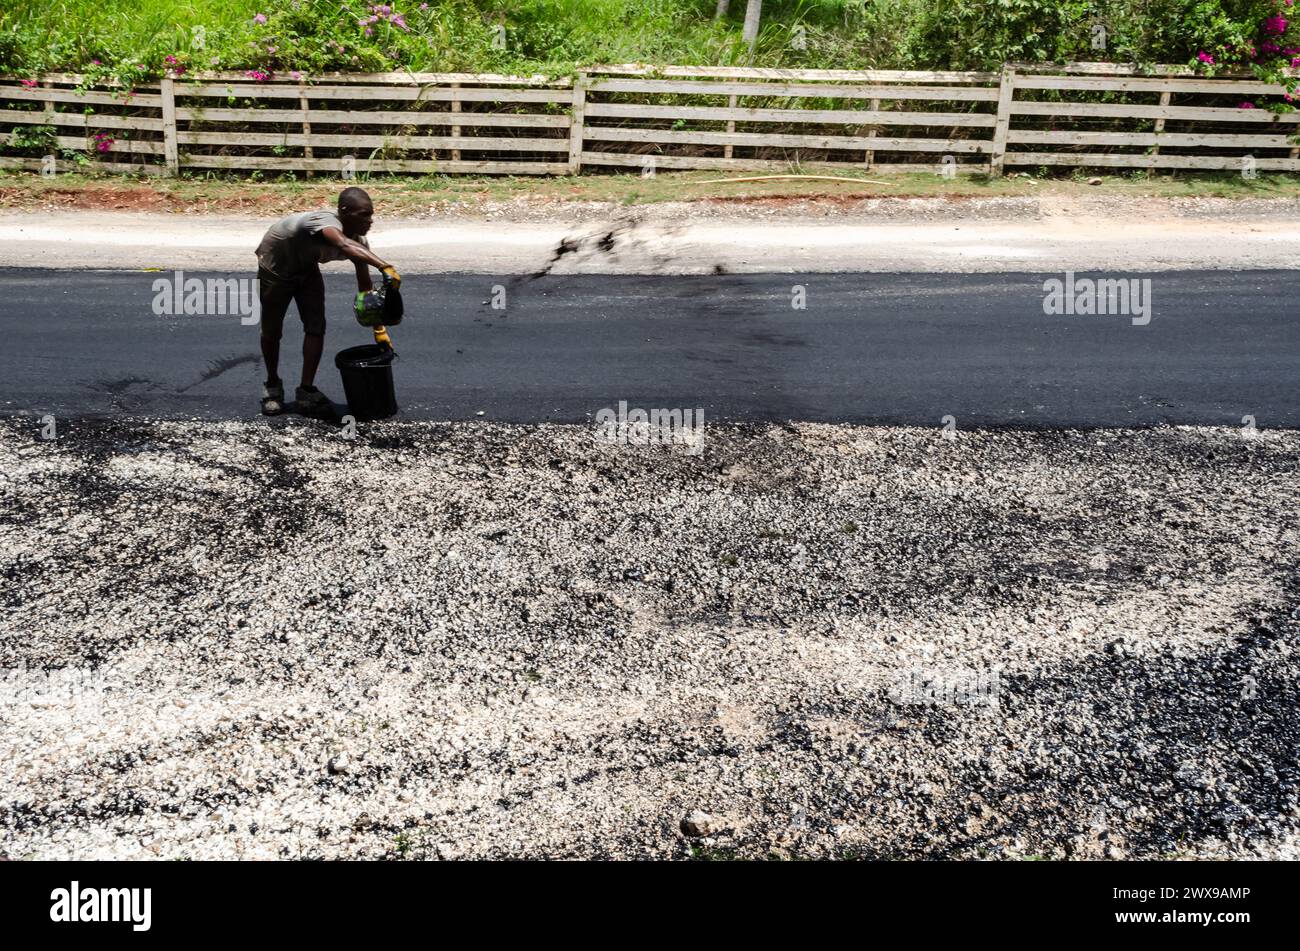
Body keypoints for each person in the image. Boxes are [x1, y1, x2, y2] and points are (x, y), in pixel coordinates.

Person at [253, 187, 401, 415]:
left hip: (307, 268)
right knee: (272, 330)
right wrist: (385, 267)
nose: (369, 221)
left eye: (371, 214)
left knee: (316, 327)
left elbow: (365, 290)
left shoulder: (359, 243)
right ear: (344, 212)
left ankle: (306, 391)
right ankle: (272, 387)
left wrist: (379, 329)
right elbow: (342, 244)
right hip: (276, 267)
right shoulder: (324, 220)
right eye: (363, 214)